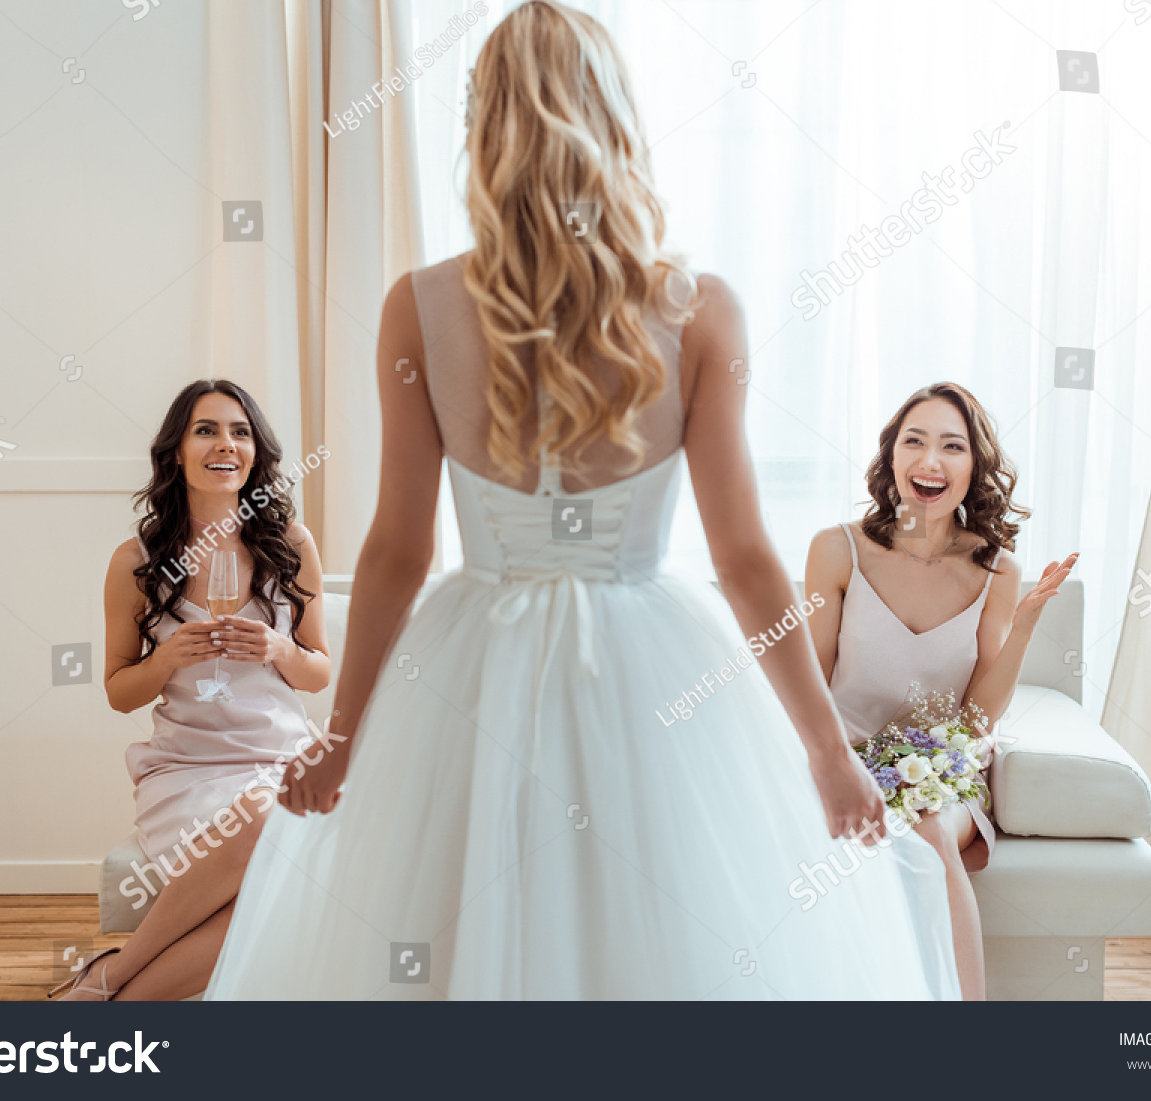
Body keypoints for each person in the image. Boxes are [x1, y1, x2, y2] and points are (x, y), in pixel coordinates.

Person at [206, 0, 958, 1000]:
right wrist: (825, 752)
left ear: (486, 130)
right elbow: (742, 560)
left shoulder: (420, 305)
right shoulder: (697, 310)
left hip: (466, 664)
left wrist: (342, 744)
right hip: (652, 673)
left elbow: (397, 551)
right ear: (615, 126)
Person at [51, 379, 330, 1000]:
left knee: (272, 884)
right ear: (176, 451)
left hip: (282, 756)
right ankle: (111, 982)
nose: (224, 444)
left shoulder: (291, 545)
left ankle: (111, 986)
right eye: (206, 430)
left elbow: (320, 670)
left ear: (256, 451)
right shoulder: (136, 560)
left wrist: (280, 650)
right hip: (189, 769)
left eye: (240, 431)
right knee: (265, 814)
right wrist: (168, 658)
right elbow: (120, 693)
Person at [804, 381, 1078, 999]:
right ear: (892, 458)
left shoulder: (996, 568)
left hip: (942, 767)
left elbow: (979, 716)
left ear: (974, 466)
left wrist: (1027, 621)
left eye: (952, 446)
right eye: (914, 442)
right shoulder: (837, 550)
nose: (930, 461)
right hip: (846, 759)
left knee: (928, 835)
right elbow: (812, 683)